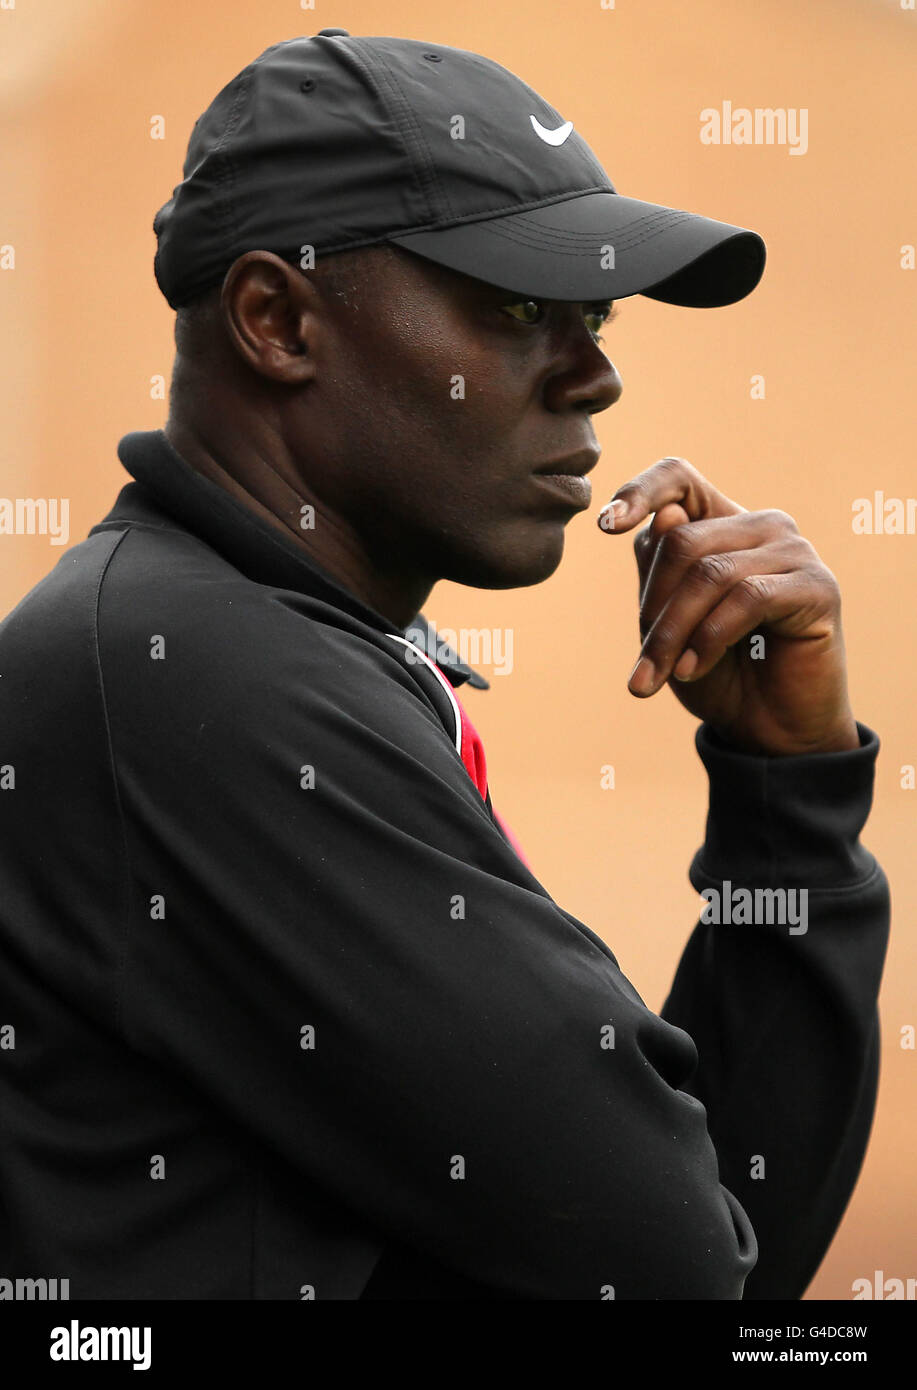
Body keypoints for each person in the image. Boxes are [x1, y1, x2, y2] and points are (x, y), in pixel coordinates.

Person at [0, 30, 889, 1301]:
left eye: (596, 313)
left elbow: (717, 1248)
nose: (597, 372)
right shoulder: (201, 676)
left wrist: (785, 794)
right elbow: (677, 1275)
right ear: (276, 319)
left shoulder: (258, 640)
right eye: (521, 308)